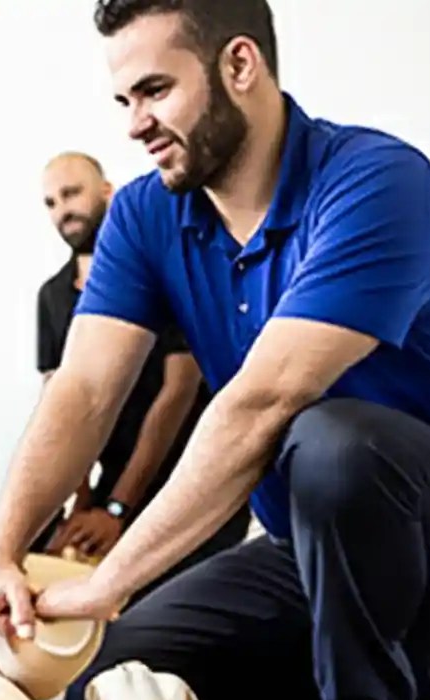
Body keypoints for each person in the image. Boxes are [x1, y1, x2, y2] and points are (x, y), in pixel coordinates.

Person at [0, 2, 430, 700]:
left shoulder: (375, 179)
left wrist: (109, 580)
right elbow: (82, 391)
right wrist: (1, 554)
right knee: (112, 684)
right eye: (123, 100)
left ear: (240, 65)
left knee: (331, 442)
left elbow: (266, 400)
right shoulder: (145, 214)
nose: (133, 124)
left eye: (155, 91)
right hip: (312, 545)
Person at [34, 153, 248, 578]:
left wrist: (117, 508)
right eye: (51, 202)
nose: (63, 210)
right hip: (109, 490)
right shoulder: (52, 296)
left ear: (107, 191)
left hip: (191, 483)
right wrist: (81, 505)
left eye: (72, 193)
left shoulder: (162, 273)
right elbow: (61, 404)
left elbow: (178, 393)